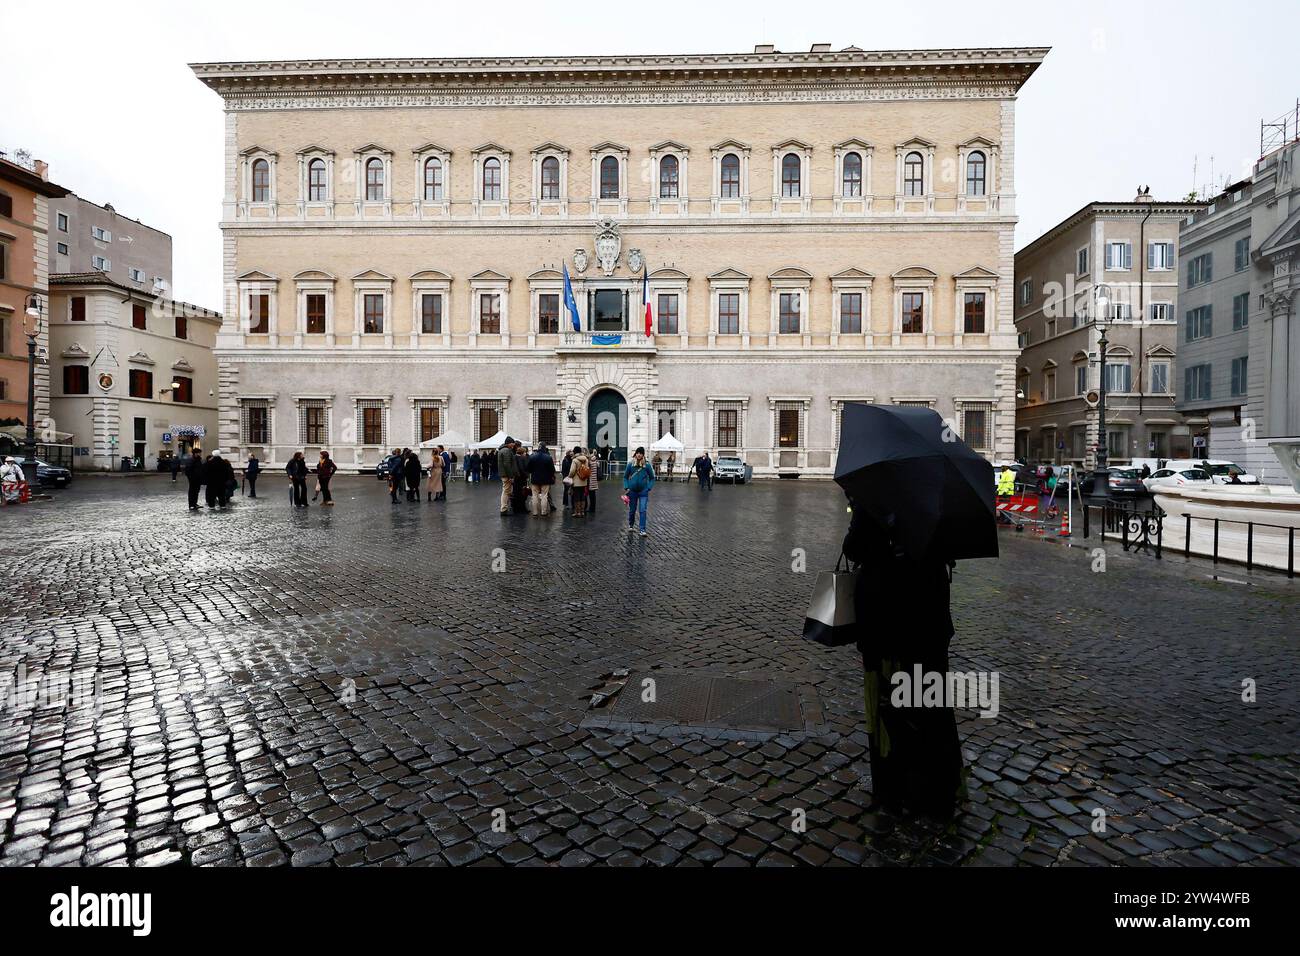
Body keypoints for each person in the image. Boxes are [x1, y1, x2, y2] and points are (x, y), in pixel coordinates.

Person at [841, 503, 964, 820]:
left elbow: (854, 548)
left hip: (887, 621)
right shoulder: (938, 502)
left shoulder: (879, 499)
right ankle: (939, 787)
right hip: (929, 619)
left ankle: (893, 789)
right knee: (931, 702)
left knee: (886, 704)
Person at [623, 446, 656, 537]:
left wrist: (648, 487)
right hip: (632, 491)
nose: (639, 455)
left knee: (642, 510)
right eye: (638, 453)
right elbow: (625, 477)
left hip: (643, 492)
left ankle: (642, 529)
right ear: (635, 453)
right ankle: (631, 524)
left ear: (643, 455)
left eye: (641, 453)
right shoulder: (630, 464)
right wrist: (626, 487)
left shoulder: (647, 465)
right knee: (632, 510)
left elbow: (652, 478)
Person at [527, 443, 556, 517]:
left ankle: (535, 512)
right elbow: (552, 470)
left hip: (535, 479)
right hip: (546, 479)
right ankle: (543, 512)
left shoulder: (532, 457)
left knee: (535, 496)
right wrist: (551, 476)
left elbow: (528, 469)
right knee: (544, 496)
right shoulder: (548, 457)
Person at [497, 438, 518, 515]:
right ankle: (503, 509)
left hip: (504, 474)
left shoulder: (503, 450)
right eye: (513, 443)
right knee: (506, 491)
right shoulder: (506, 451)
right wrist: (511, 476)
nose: (514, 445)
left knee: (506, 491)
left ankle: (504, 508)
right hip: (506, 475)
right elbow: (507, 464)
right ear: (509, 443)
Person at [570, 451, 590, 517]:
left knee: (576, 497)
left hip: (576, 482)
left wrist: (569, 476)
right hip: (584, 481)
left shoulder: (575, 460)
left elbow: (572, 471)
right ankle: (582, 512)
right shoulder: (586, 460)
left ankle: (577, 512)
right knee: (582, 497)